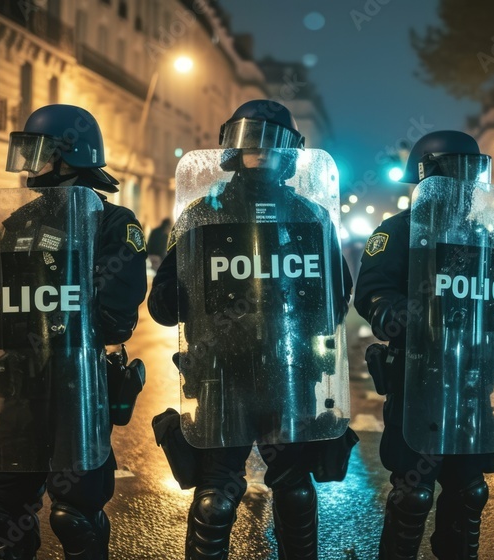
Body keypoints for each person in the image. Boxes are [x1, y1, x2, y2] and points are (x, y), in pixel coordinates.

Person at [148, 100, 354, 560]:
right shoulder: (201, 215)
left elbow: (337, 299)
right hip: (225, 377)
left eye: (270, 143)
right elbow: (162, 305)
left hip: (290, 372)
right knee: (216, 500)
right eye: (251, 142)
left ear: (289, 152)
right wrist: (187, 289)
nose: (260, 152)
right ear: (233, 148)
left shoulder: (309, 216)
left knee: (292, 491)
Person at [0, 104, 147, 560]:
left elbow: (117, 315)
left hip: (79, 390)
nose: (29, 163)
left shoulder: (111, 222)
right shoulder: (18, 222)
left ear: (71, 155)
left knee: (75, 516)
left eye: (39, 151)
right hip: (22, 390)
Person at [354, 130, 494, 559]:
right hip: (420, 381)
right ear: (429, 174)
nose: (468, 182)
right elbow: (373, 291)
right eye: (459, 171)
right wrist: (402, 313)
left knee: (470, 490)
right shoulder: (400, 231)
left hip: (473, 384)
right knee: (413, 493)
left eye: (473, 172)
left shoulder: (485, 235)